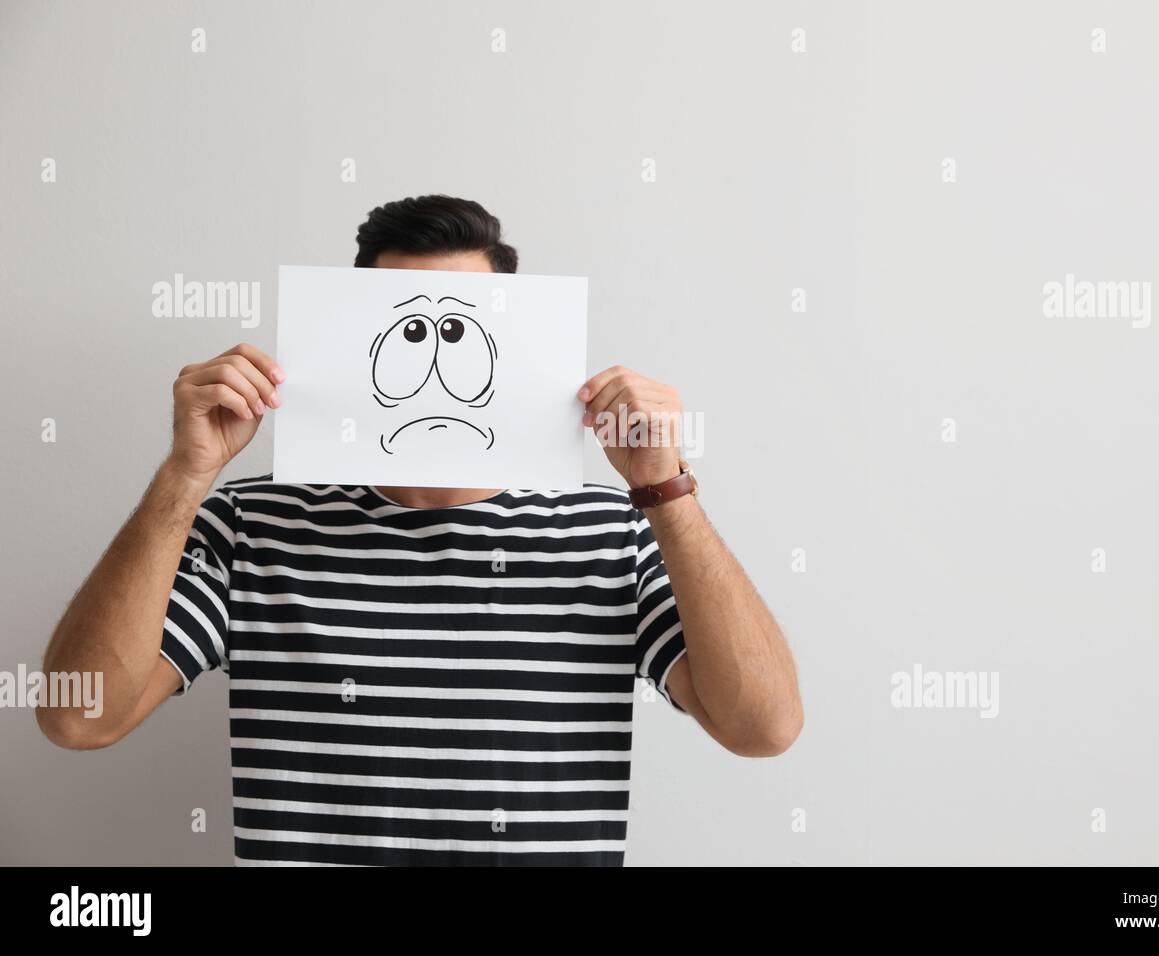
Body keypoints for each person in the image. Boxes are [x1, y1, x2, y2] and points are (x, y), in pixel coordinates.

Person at [36, 194, 802, 866]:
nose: (435, 344)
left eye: (465, 323)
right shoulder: (251, 522)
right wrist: (185, 473)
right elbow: (79, 719)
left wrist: (665, 492)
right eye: (403, 322)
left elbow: (763, 728)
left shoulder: (611, 530)